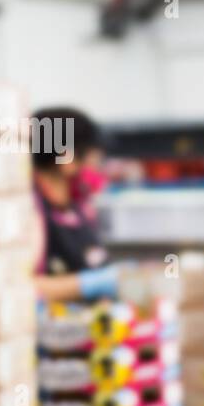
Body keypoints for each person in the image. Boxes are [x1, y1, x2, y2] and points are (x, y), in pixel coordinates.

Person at [31, 106, 120, 303]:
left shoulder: (78, 202)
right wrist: (89, 283)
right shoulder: (30, 209)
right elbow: (24, 288)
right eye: (91, 155)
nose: (96, 165)